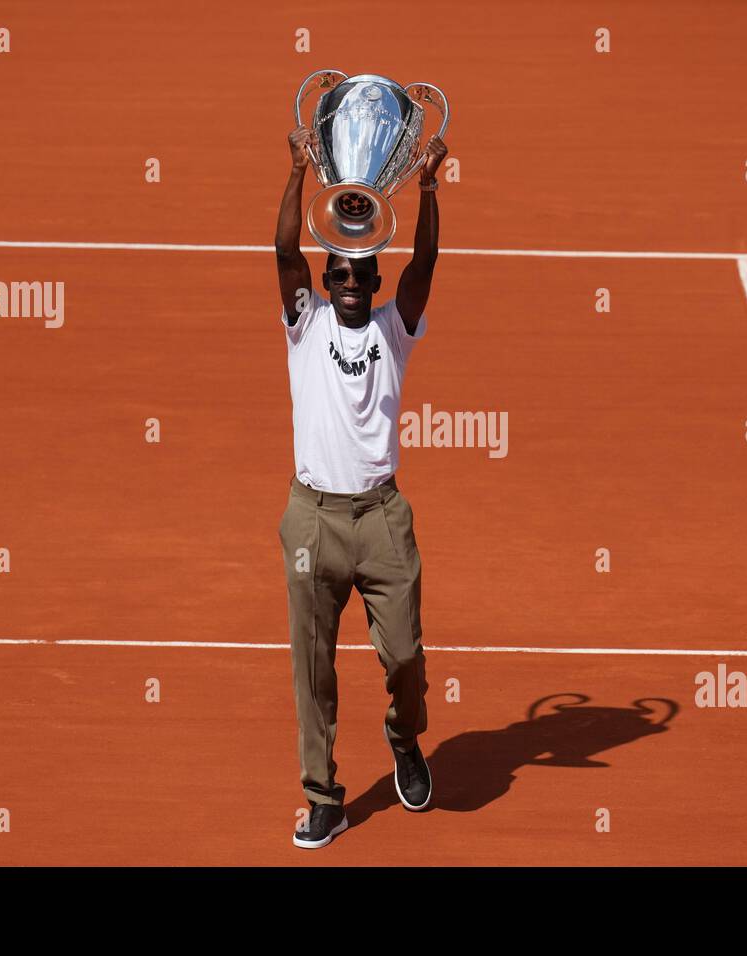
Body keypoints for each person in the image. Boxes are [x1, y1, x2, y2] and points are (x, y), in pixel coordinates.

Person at [274, 123, 448, 849]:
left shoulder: (392, 329)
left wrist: (431, 189)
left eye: (359, 271)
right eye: (337, 272)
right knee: (312, 670)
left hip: (381, 519)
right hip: (313, 519)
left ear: (375, 278)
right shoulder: (304, 324)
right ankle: (323, 798)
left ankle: (405, 737)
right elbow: (285, 252)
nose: (347, 281)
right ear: (326, 281)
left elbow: (427, 263)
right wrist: (294, 176)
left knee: (404, 656)